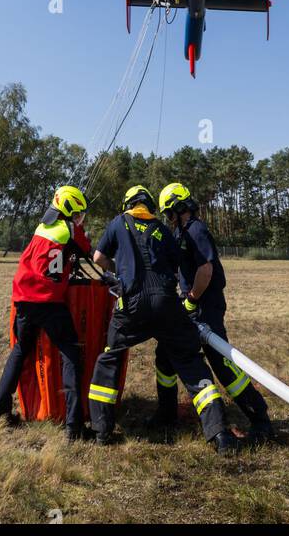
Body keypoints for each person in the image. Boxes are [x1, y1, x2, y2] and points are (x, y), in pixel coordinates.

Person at [88, 185, 238, 455]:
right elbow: (178, 264)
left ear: (128, 204)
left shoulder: (117, 223)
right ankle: (219, 433)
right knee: (191, 362)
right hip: (167, 304)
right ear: (150, 206)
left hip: (131, 305)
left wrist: (118, 271)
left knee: (110, 358)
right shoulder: (162, 229)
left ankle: (101, 430)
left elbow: (98, 257)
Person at [155, 183, 274, 446]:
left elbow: (205, 270)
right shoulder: (183, 233)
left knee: (220, 361)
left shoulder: (196, 230)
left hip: (205, 305)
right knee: (166, 354)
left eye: (168, 213)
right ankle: (166, 414)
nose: (168, 219)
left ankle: (259, 417)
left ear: (176, 207)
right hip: (193, 304)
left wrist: (192, 299)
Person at [0, 185, 90, 439]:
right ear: (71, 210)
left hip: (23, 299)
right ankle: (73, 426)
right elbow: (87, 249)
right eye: (79, 213)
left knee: (21, 350)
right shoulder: (69, 230)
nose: (80, 218)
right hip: (48, 302)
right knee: (70, 353)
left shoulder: (41, 227)